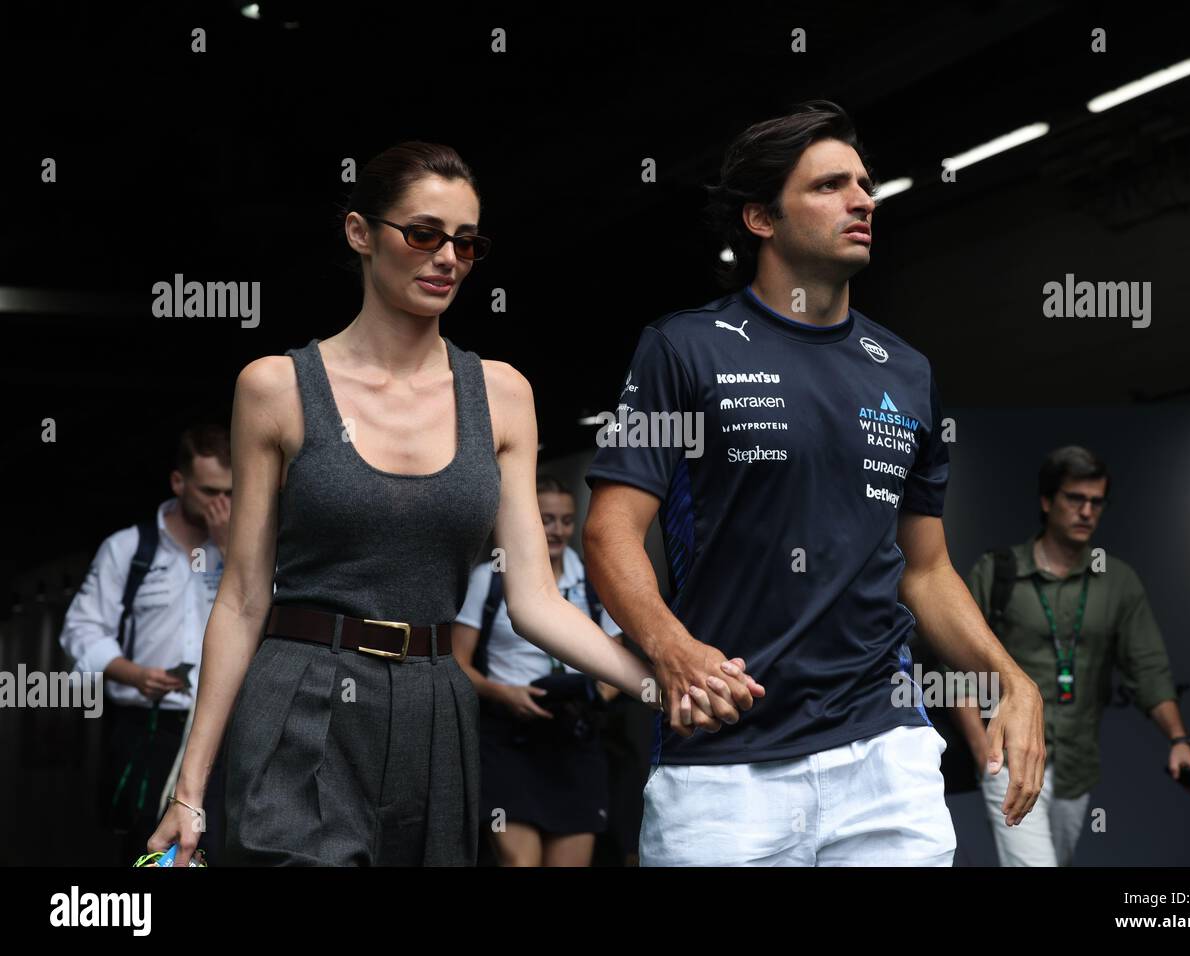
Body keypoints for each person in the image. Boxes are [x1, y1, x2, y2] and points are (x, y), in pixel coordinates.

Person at [147, 141, 760, 867]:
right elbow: (243, 598)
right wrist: (189, 787)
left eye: (466, 243)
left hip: (437, 710)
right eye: (424, 233)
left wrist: (659, 682)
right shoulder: (274, 387)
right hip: (302, 692)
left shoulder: (503, 395)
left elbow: (535, 600)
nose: (447, 258)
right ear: (360, 233)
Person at [583, 100, 1046, 866]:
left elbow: (925, 570)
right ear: (761, 219)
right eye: (831, 185)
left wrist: (1011, 680)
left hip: (884, 756)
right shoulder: (684, 349)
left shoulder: (906, 370)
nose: (863, 199)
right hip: (723, 770)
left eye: (864, 184)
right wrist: (669, 648)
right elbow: (609, 532)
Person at [955, 445, 1190, 866]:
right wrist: (983, 751)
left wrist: (1179, 740)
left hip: (1077, 765)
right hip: (1011, 755)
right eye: (1075, 499)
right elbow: (958, 663)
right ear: (1047, 501)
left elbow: (1148, 667)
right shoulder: (999, 571)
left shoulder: (1117, 581)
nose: (1087, 511)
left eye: (1096, 502)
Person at [59, 425, 231, 864]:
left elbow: (274, 618)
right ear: (179, 483)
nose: (222, 504)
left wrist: (233, 549)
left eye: (232, 492)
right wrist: (133, 674)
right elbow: (80, 629)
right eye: (211, 490)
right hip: (150, 729)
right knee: (148, 846)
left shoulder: (246, 549)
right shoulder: (128, 548)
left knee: (223, 848)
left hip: (226, 734)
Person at [453, 474, 623, 866]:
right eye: (546, 519)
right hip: (510, 739)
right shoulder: (489, 579)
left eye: (565, 520)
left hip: (575, 739)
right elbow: (458, 662)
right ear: (529, 518)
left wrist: (590, 696)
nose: (557, 530)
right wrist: (504, 695)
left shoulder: (597, 583)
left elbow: (615, 667)